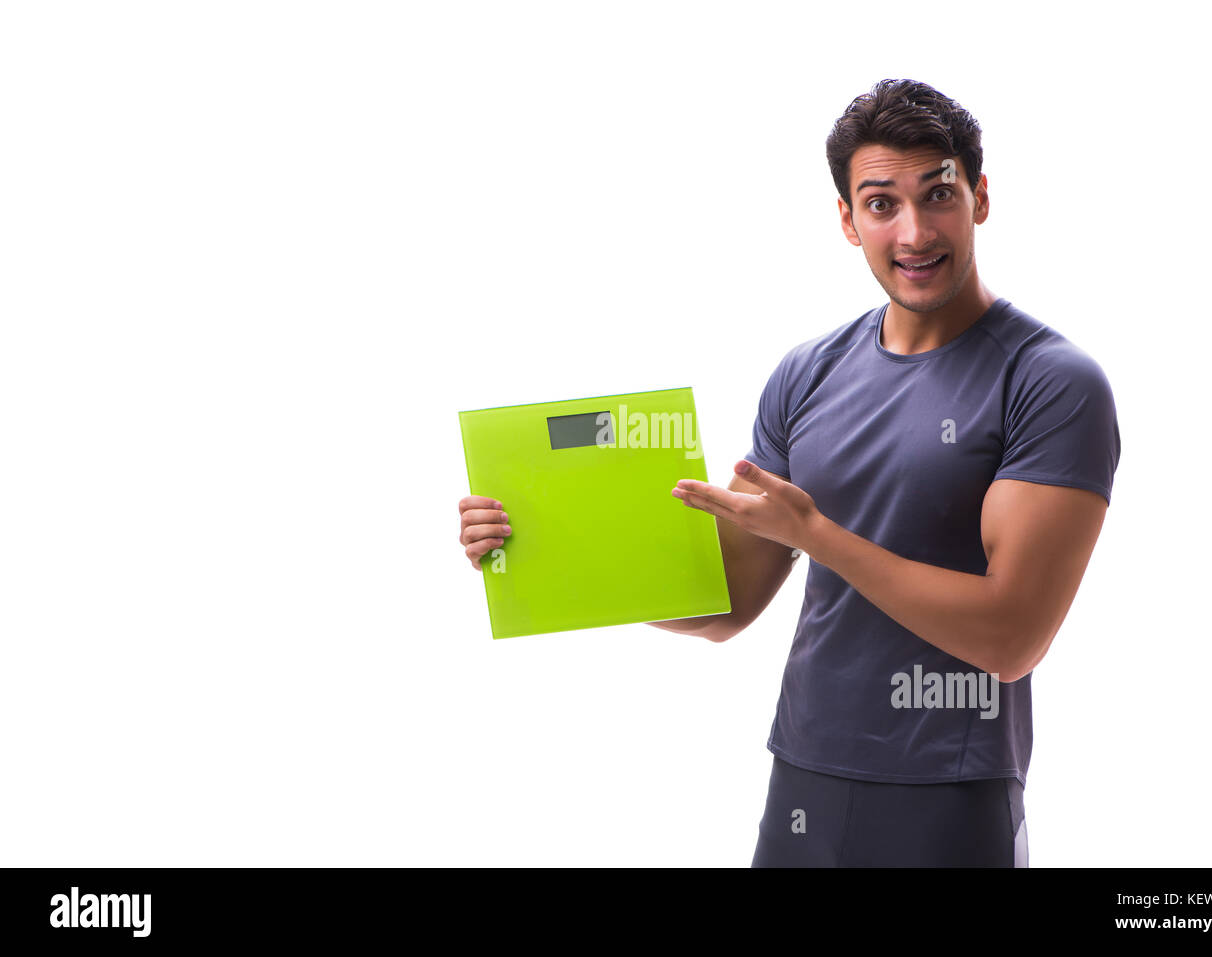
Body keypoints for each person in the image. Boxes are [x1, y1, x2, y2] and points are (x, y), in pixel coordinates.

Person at [459, 78, 1120, 867]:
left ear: (980, 197)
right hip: (804, 778)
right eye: (881, 203)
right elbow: (727, 603)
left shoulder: (1050, 382)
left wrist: (818, 535)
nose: (914, 230)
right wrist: (542, 551)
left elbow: (1011, 636)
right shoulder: (806, 374)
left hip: (950, 791)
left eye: (937, 194)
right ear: (847, 219)